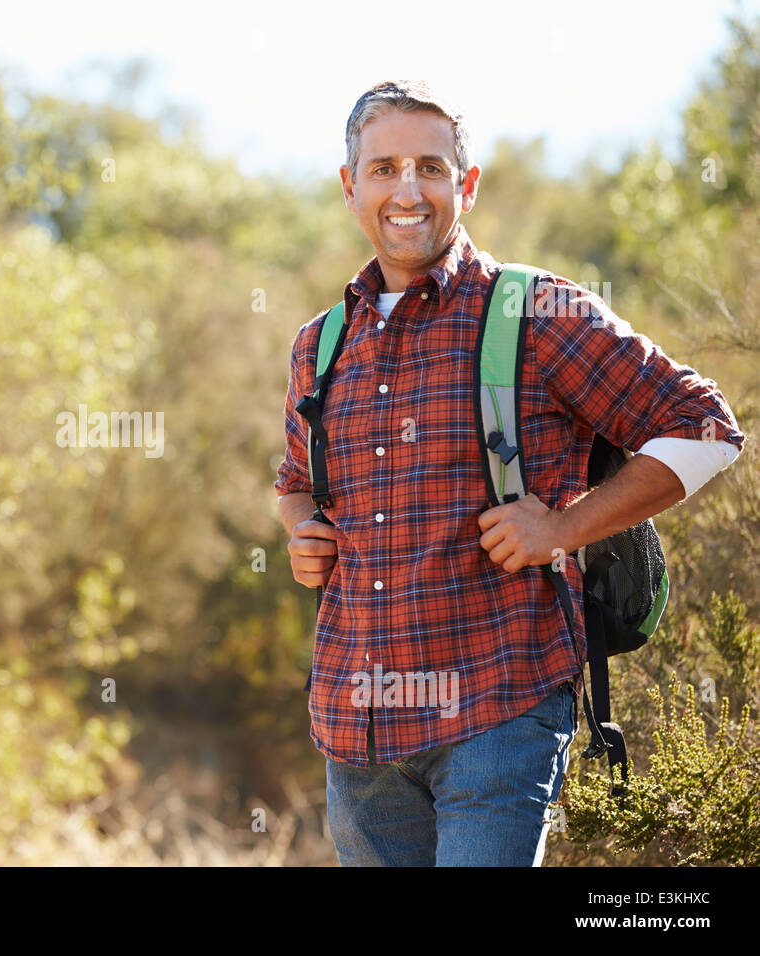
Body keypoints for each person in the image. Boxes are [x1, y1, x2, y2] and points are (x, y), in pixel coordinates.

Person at [274, 80, 747, 866]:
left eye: (431, 167)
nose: (408, 189)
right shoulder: (317, 345)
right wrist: (300, 532)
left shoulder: (536, 311)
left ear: (467, 184)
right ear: (350, 185)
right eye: (384, 167)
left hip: (498, 709)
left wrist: (562, 528)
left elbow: (705, 429)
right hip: (355, 736)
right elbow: (295, 481)